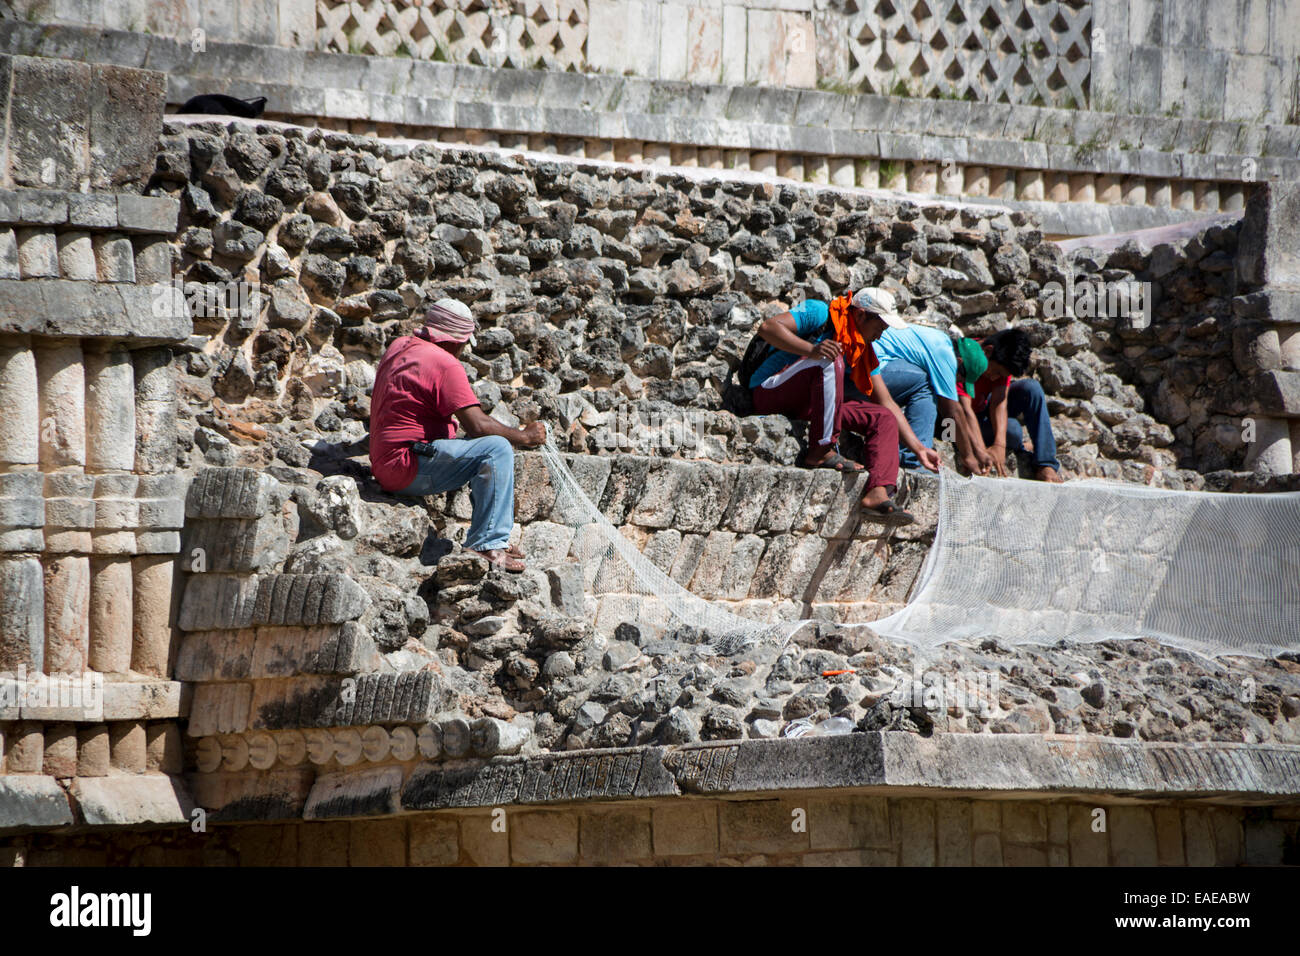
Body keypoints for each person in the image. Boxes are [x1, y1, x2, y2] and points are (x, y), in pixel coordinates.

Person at [368, 298, 547, 571]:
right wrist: (525, 436)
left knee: (477, 450)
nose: (463, 351)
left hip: (384, 463)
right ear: (455, 340)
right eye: (464, 344)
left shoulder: (399, 346)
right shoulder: (444, 363)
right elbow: (477, 425)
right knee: (496, 449)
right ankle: (488, 543)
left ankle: (492, 527)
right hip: (407, 468)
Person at [748, 288, 940, 522]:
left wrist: (919, 449)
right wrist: (812, 350)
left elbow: (886, 401)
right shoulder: (820, 313)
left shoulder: (862, 350)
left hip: (813, 404)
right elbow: (768, 328)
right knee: (830, 359)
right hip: (771, 390)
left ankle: (878, 493)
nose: (879, 335)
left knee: (882, 417)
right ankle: (819, 451)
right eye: (879, 328)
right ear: (860, 316)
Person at [871, 320, 988, 475]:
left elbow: (950, 413)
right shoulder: (945, 354)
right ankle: (915, 462)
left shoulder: (938, 340)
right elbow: (952, 412)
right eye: (961, 379)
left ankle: (922, 451)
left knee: (931, 387)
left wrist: (952, 441)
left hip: (877, 365)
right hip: (870, 368)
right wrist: (968, 457)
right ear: (959, 362)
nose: (957, 383)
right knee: (926, 384)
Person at [954, 328, 1063, 483]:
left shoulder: (999, 360)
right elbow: (963, 411)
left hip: (981, 410)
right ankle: (1020, 445)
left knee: (1031, 388)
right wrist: (981, 450)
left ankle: (1046, 465)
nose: (994, 378)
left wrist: (999, 445)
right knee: (1012, 430)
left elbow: (999, 401)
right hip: (956, 422)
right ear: (987, 352)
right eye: (996, 372)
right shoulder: (966, 360)